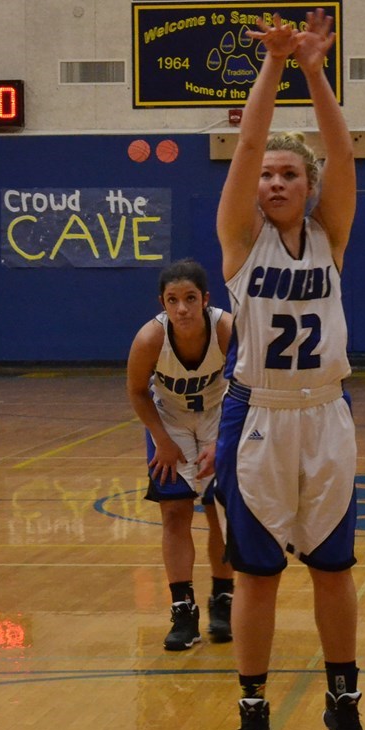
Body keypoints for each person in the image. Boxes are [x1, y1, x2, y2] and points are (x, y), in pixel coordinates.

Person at [214, 9, 365, 730]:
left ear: (309, 188)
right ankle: (252, 711)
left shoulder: (330, 234)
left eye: (288, 174)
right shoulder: (241, 241)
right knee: (258, 573)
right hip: (259, 416)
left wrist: (314, 66)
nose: (274, 180)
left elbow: (341, 148)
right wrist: (273, 66)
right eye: (268, 174)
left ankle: (345, 703)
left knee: (334, 567)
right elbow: (246, 142)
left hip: (326, 414)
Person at [125, 258, 236, 651]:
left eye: (190, 298)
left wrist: (221, 440)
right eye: (173, 300)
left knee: (219, 509)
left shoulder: (226, 329)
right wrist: (162, 440)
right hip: (169, 418)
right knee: (174, 512)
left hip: (220, 414)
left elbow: (249, 385)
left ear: (205, 299)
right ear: (163, 303)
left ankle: (223, 598)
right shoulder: (149, 339)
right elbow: (137, 392)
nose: (182, 308)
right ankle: (182, 609)